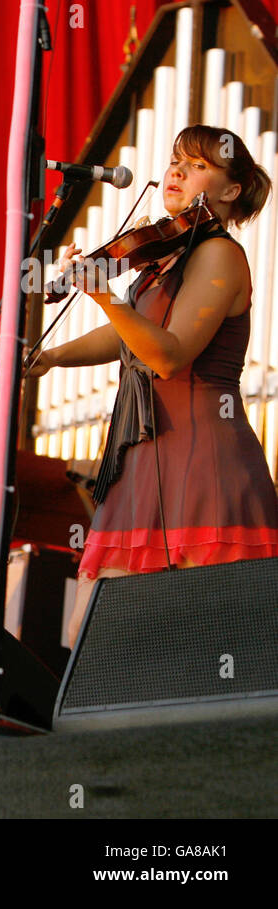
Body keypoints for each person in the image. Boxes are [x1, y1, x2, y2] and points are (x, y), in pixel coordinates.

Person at [29, 124, 278, 646]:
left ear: (231, 191)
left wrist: (103, 294)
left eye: (198, 165)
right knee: (94, 641)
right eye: (175, 160)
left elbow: (167, 355)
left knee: (200, 641)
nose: (177, 170)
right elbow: (130, 340)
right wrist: (51, 356)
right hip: (145, 458)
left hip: (204, 456)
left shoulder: (219, 255)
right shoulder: (165, 258)